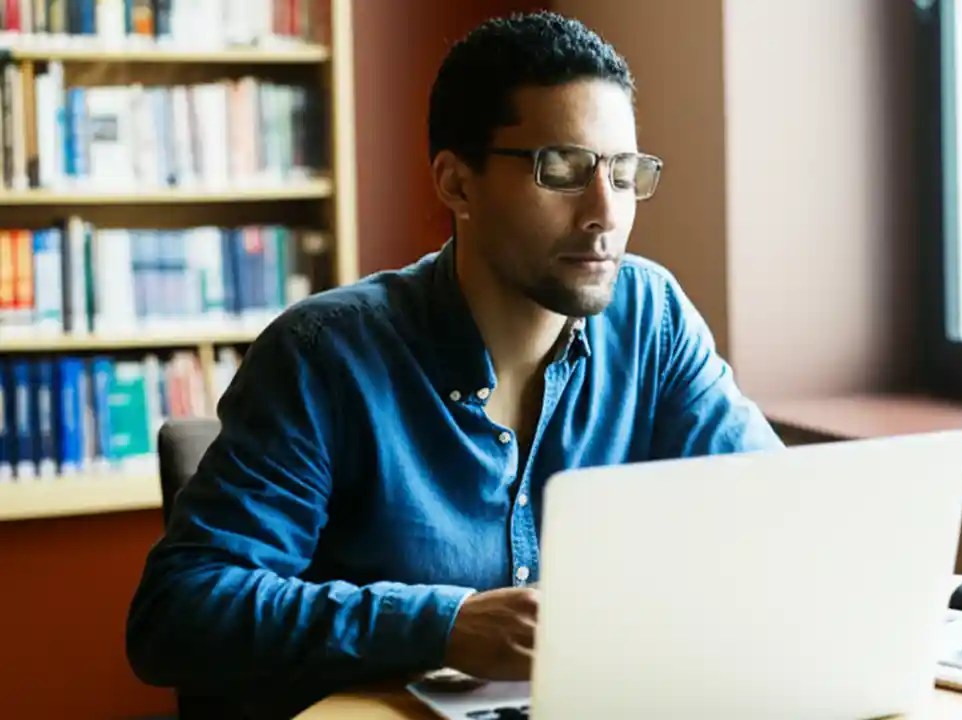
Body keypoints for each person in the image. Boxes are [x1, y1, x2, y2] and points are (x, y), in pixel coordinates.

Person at [125, 10, 782, 719]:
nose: (604, 212)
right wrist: (444, 624)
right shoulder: (325, 355)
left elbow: (778, 514)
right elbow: (181, 611)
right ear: (456, 184)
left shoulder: (652, 319)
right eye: (559, 169)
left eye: (624, 173)